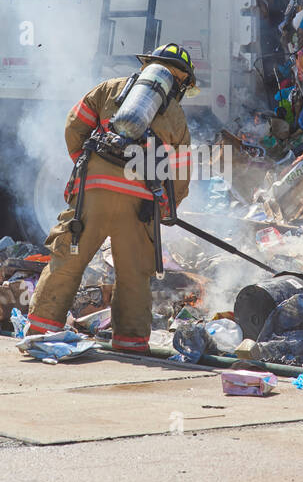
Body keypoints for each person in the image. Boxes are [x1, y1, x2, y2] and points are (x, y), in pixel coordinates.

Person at [26, 44, 197, 354]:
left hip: (92, 198)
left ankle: (41, 329)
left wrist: (83, 163)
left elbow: (74, 124)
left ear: (147, 66)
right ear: (181, 81)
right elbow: (180, 173)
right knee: (134, 273)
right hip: (138, 205)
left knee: (70, 256)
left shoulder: (109, 89)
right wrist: (167, 208)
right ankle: (130, 343)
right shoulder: (174, 114)